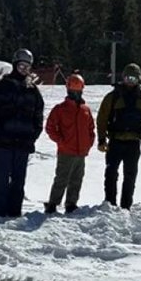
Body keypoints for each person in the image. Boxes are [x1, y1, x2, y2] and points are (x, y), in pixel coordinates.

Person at [0, 48, 45, 217]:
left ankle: (14, 211)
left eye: (27, 67)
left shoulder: (32, 90)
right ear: (14, 65)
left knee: (18, 180)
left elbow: (38, 116)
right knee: (1, 178)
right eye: (21, 66)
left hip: (23, 143)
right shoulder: (1, 86)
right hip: (3, 142)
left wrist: (33, 136)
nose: (24, 70)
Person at [96, 62, 141, 209]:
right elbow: (102, 118)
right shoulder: (112, 97)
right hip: (115, 142)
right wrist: (102, 139)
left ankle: (126, 207)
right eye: (128, 78)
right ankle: (109, 204)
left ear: (139, 80)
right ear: (123, 78)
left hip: (133, 143)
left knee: (130, 176)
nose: (130, 82)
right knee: (111, 173)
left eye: (134, 79)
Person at [44, 73, 95, 214]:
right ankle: (53, 204)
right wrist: (61, 141)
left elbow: (91, 129)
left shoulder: (85, 110)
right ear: (68, 90)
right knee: (61, 178)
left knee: (77, 179)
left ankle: (71, 204)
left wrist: (89, 143)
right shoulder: (60, 109)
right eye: (73, 91)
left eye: (78, 91)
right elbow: (50, 127)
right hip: (66, 151)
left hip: (81, 152)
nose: (76, 94)